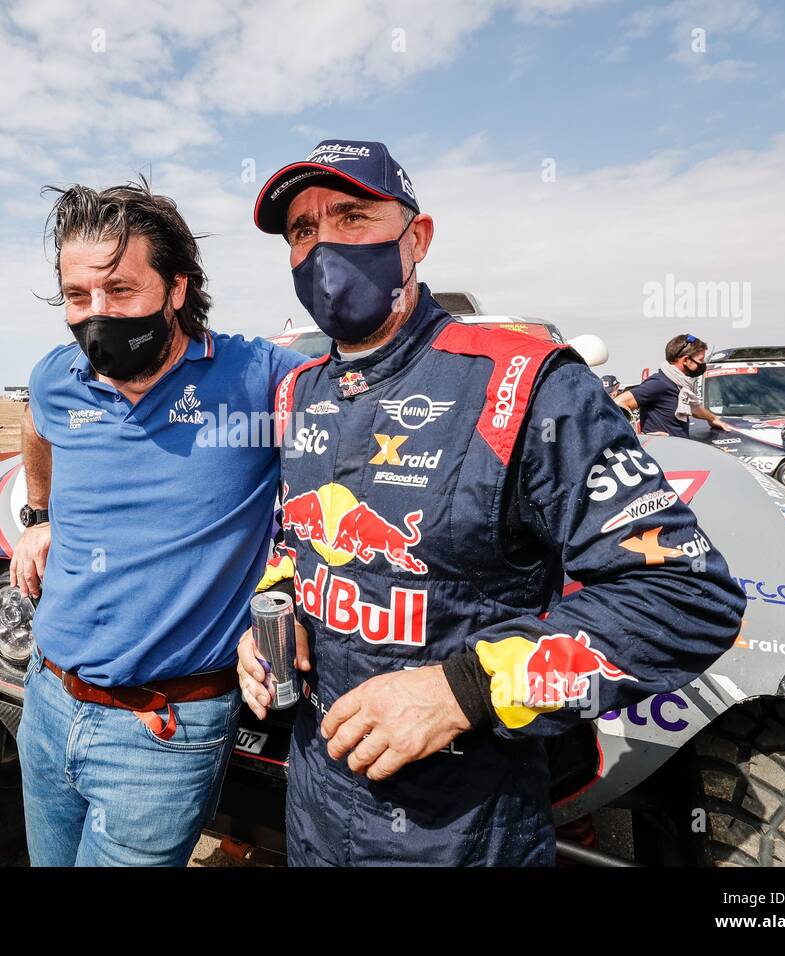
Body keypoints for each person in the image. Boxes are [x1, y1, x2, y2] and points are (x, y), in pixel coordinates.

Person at [236, 138, 746, 866]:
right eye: (303, 231)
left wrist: (459, 692)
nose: (323, 246)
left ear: (417, 238)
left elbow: (684, 597)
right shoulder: (299, 392)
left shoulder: (528, 382)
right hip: (316, 801)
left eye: (352, 217)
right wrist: (268, 626)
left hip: (465, 826)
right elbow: (299, 547)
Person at [8, 180, 307, 866]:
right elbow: (34, 427)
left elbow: (367, 433)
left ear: (176, 288)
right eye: (77, 297)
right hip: (47, 701)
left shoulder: (258, 378)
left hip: (164, 730)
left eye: (119, 290)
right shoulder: (58, 377)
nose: (95, 315)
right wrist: (42, 515)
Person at [614, 334, 733, 436]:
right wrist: (639, 436)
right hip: (663, 457)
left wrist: (713, 419)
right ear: (686, 360)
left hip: (679, 452)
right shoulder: (659, 383)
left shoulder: (678, 385)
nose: (702, 364)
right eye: (701, 360)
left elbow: (694, 408)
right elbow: (617, 404)